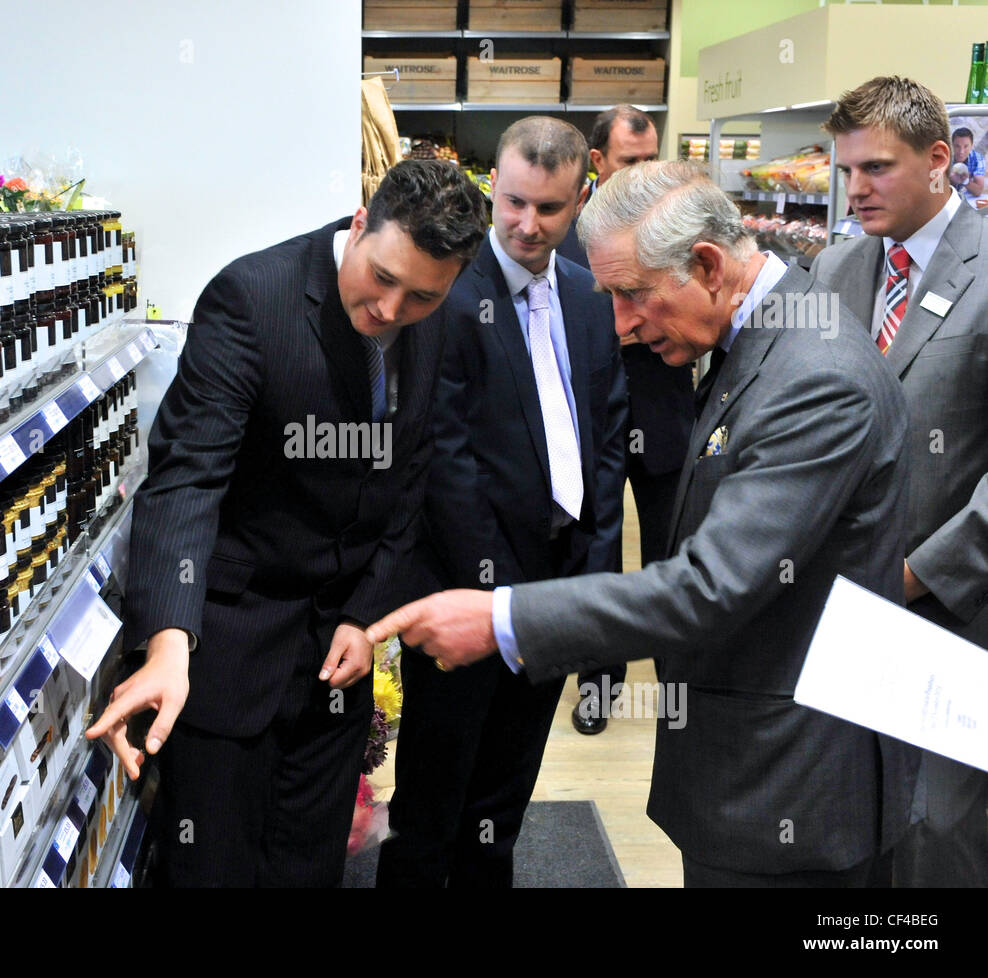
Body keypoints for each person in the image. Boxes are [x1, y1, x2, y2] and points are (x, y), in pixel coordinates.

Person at [366, 161, 920, 887]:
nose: (621, 327)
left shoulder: (816, 379)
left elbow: (709, 586)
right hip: (753, 766)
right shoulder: (763, 343)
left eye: (632, 295)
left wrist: (503, 619)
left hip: (792, 785)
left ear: (709, 264)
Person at [83, 160, 488, 887]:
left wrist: (367, 617)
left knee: (309, 867)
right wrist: (169, 642)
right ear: (361, 224)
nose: (393, 309)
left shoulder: (440, 320)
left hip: (337, 665)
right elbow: (186, 477)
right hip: (227, 650)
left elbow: (408, 480)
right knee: (214, 870)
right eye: (383, 278)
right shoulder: (252, 298)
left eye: (423, 295)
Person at [375, 118, 628, 887]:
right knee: (431, 799)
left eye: (548, 209)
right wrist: (494, 597)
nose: (526, 224)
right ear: (495, 190)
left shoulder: (588, 296)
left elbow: (608, 436)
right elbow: (443, 456)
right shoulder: (450, 293)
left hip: (554, 584)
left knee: (505, 794)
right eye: (512, 202)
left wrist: (592, 575)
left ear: (580, 197)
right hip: (464, 587)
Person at [811, 75, 988, 888]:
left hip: (955, 613)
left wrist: (920, 575)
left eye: (876, 168)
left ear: (940, 159)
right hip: (847, 612)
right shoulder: (840, 266)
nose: (856, 190)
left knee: (939, 840)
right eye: (847, 170)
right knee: (852, 823)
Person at [561, 105, 693, 735]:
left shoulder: (678, 228)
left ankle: (679, 681)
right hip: (591, 420)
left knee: (674, 551)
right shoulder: (568, 231)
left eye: (651, 160)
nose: (644, 173)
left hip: (665, 411)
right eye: (629, 161)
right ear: (597, 161)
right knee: (599, 550)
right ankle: (598, 682)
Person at [950, 125, 985, 200]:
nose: (961, 152)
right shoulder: (945, 157)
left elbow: (978, 191)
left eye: (966, 146)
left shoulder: (978, 159)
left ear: (972, 146)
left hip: (967, 199)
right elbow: (937, 190)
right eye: (957, 146)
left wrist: (964, 180)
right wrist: (951, 181)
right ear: (952, 145)